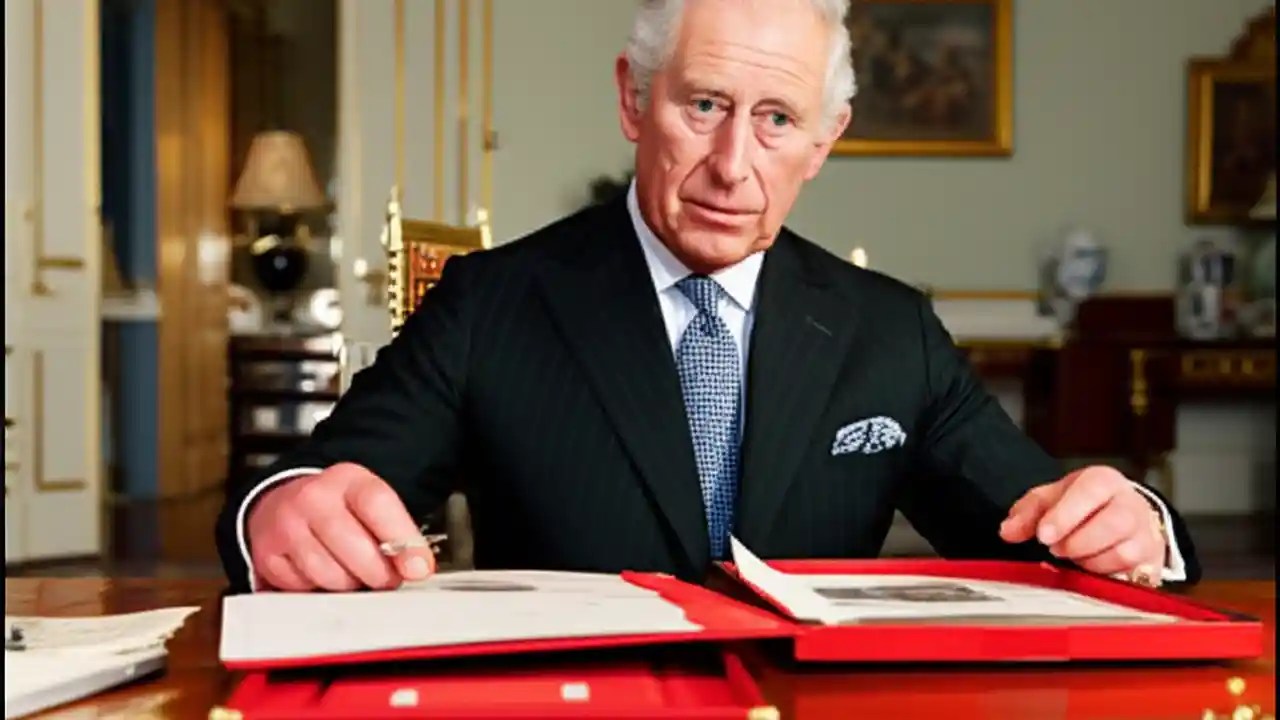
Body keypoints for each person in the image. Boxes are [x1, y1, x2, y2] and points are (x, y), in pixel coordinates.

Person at [216, 0, 1198, 594]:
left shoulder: (886, 328)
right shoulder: (493, 302)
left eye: (776, 119)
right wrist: (284, 512)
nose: (733, 165)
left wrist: (1131, 525)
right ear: (633, 101)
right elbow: (310, 488)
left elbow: (1036, 523)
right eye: (703, 106)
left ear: (825, 140)